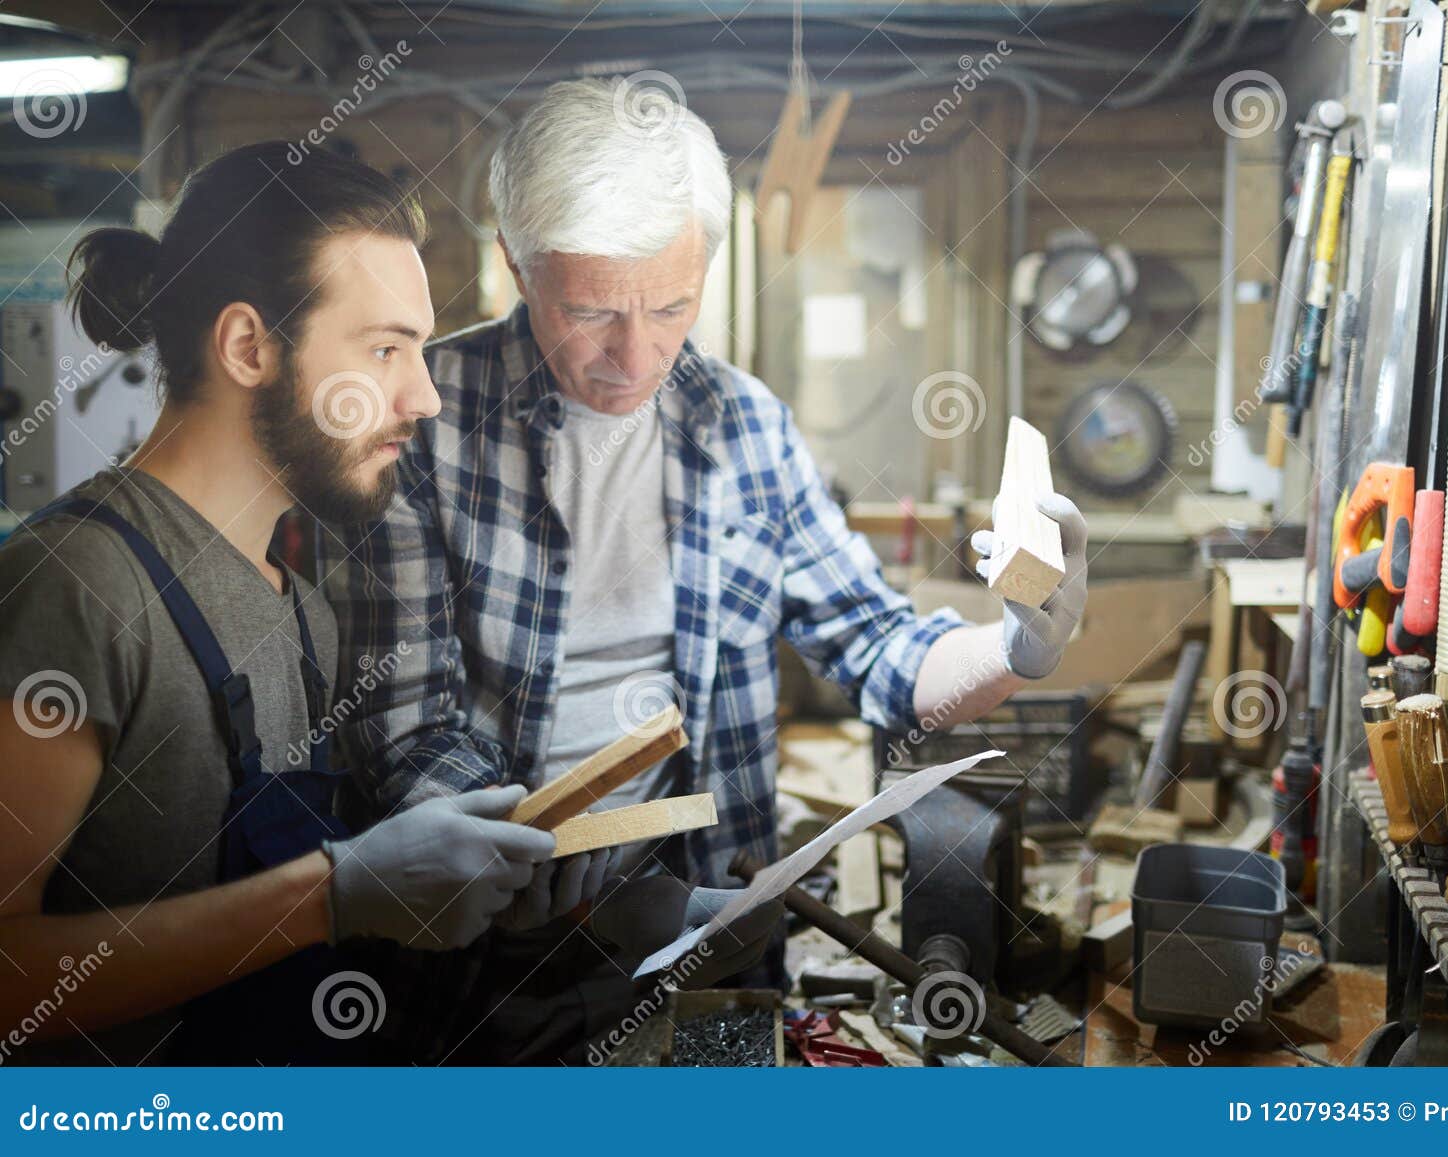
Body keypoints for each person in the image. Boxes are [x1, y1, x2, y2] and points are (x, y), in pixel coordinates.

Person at [325, 76, 1088, 1064]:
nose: (634, 356)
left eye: (672, 306)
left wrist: (1015, 647)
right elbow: (405, 732)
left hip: (716, 941)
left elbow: (880, 650)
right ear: (515, 262)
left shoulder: (746, 425)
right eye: (591, 311)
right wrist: (557, 865)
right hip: (480, 967)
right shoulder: (422, 425)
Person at [0, 143, 588, 1066]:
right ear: (249, 347)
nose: (424, 397)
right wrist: (329, 894)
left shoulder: (303, 611)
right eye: (385, 349)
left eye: (420, 350)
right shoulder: (77, 584)